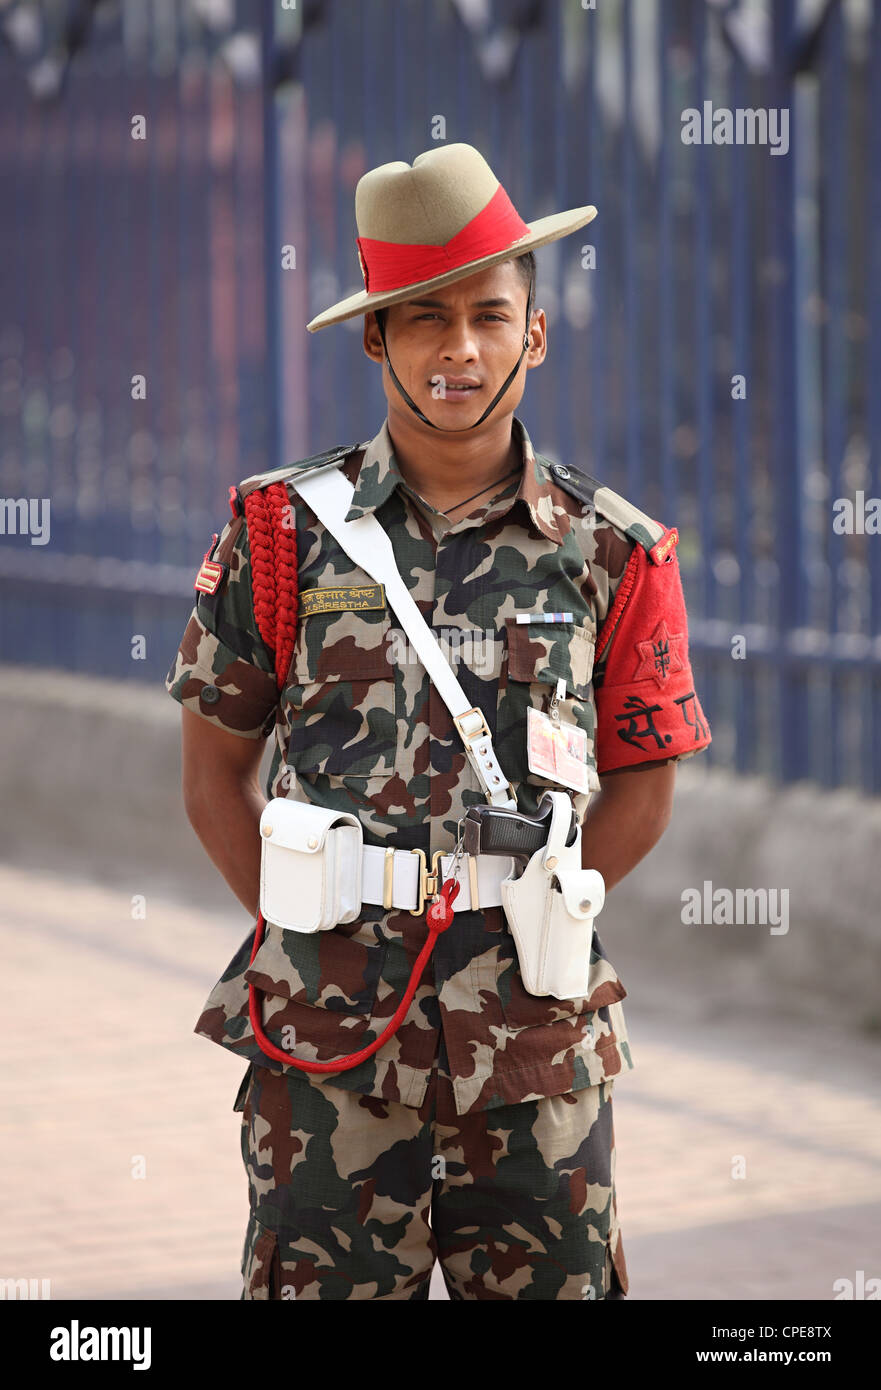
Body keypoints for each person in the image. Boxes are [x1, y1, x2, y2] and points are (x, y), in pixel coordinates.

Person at [166, 143, 711, 1301]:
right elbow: (215, 770)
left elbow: (645, 784)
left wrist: (541, 912)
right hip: (327, 1061)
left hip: (535, 1053)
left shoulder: (611, 554)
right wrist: (308, 924)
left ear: (535, 331)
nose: (456, 349)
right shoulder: (279, 536)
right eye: (420, 320)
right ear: (376, 340)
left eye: (485, 315)